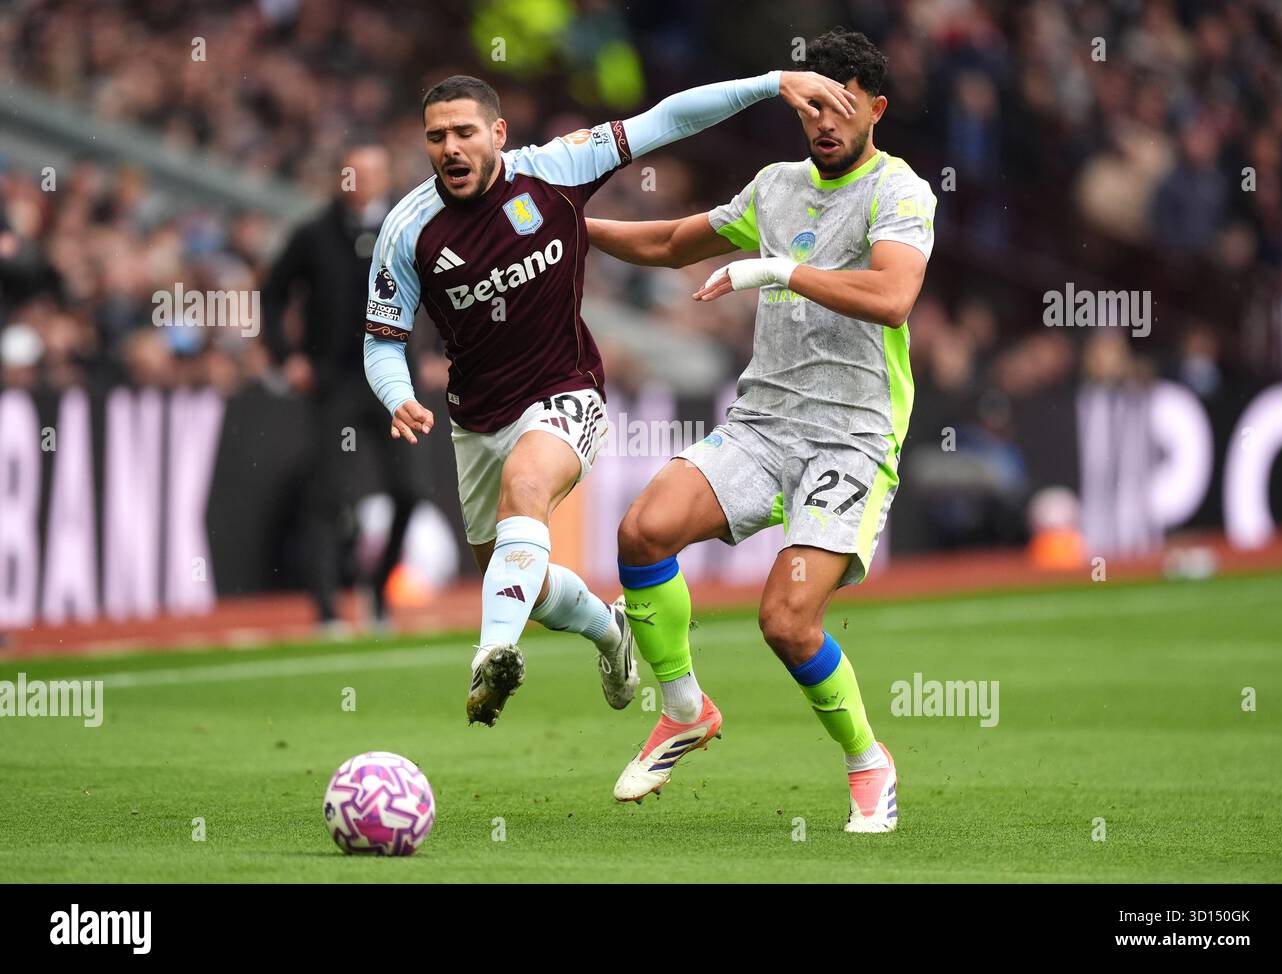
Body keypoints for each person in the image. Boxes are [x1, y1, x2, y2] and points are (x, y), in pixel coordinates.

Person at [363, 69, 855, 726]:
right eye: (436, 137)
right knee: (524, 583)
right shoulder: (407, 230)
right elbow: (380, 342)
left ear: (497, 133)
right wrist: (397, 394)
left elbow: (667, 118)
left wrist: (770, 82)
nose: (450, 148)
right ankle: (607, 631)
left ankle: (493, 655)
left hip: (566, 392)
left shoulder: (558, 168)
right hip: (476, 420)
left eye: (463, 132)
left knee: (527, 490)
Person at [586, 28, 937, 832]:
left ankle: (867, 761)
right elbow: (675, 243)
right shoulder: (776, 186)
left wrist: (780, 270)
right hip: (762, 422)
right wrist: (574, 231)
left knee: (784, 620)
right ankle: (683, 710)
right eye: (810, 104)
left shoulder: (901, 193)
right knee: (642, 531)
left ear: (875, 111)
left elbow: (893, 298)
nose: (822, 121)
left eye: (840, 108)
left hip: (850, 436)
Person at [263, 145, 434, 633]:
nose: (363, 181)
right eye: (354, 172)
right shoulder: (315, 234)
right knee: (326, 496)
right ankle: (326, 612)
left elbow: (445, 285)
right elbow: (273, 292)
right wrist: (286, 355)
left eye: (373, 172)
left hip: (398, 379)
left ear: (386, 177)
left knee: (412, 489)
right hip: (336, 379)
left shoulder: (408, 227)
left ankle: (377, 589)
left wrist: (442, 349)